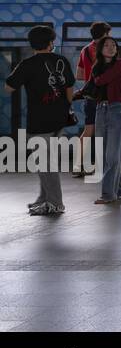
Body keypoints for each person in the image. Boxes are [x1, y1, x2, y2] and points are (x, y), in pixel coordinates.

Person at [6, 25, 74, 216]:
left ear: (32, 43)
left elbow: (9, 88)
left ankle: (55, 203)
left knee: (45, 163)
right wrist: (63, 107)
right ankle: (44, 199)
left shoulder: (27, 64)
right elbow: (69, 88)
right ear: (50, 42)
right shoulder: (61, 60)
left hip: (39, 121)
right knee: (47, 162)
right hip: (60, 119)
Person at [80, 36, 121, 205]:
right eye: (106, 45)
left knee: (112, 155)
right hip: (100, 110)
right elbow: (90, 86)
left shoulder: (120, 63)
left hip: (116, 109)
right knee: (103, 154)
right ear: (100, 49)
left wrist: (97, 78)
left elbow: (101, 80)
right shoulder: (97, 66)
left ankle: (108, 194)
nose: (111, 48)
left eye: (113, 45)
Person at [73, 22, 111, 176]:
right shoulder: (106, 49)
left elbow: (79, 75)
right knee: (107, 131)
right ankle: (103, 165)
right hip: (105, 96)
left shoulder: (85, 50)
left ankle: (77, 165)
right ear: (104, 34)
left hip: (90, 96)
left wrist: (90, 77)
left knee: (88, 131)